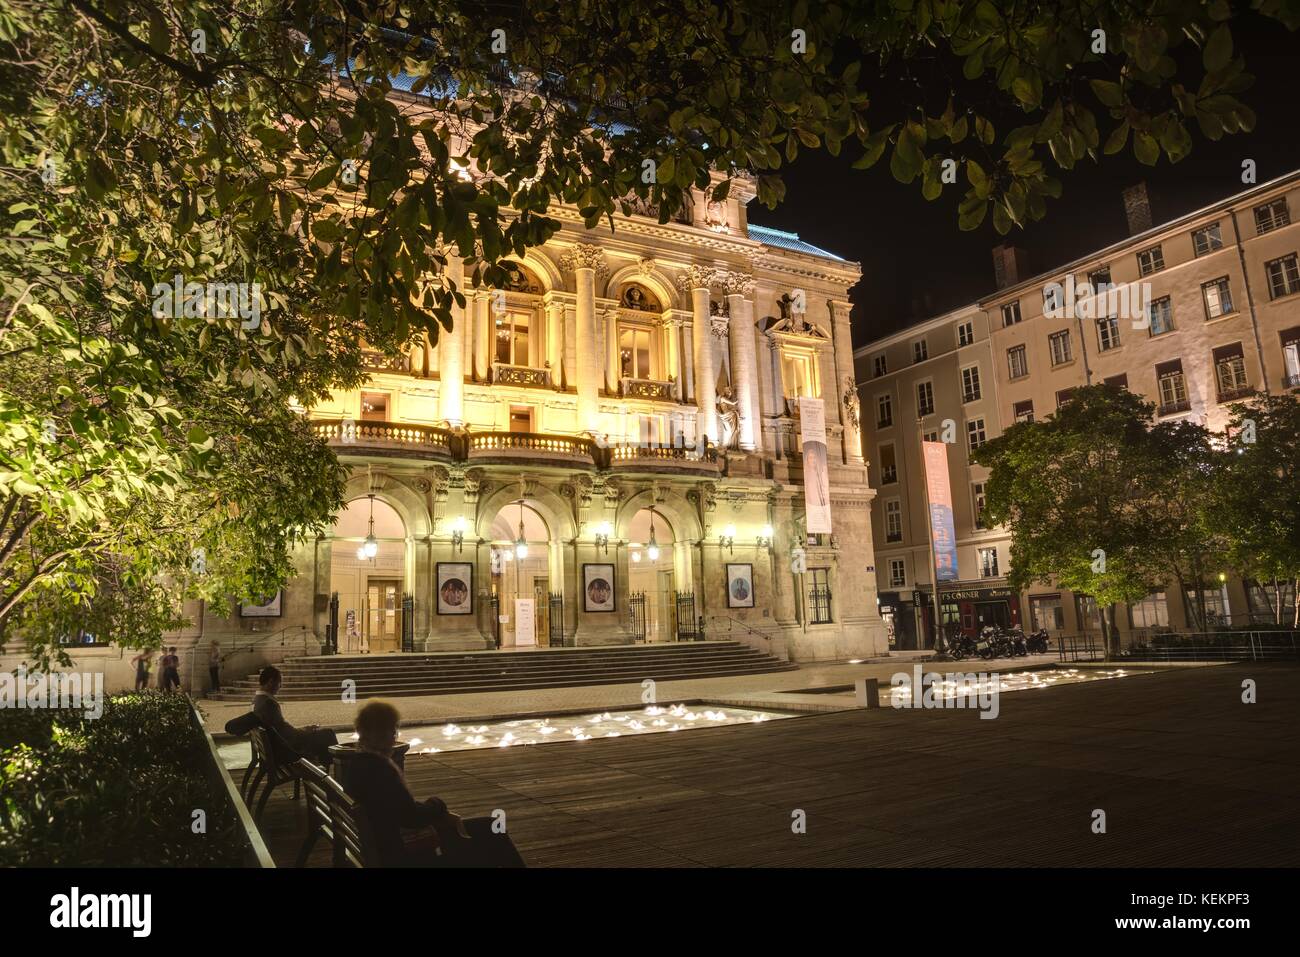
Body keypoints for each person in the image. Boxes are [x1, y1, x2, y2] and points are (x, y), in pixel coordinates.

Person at [347, 700, 525, 868]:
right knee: (493, 831)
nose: (394, 735)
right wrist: (438, 806)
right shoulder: (380, 769)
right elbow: (412, 817)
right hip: (405, 854)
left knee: (488, 831)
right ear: (375, 733)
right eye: (390, 730)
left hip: (384, 845)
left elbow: (398, 808)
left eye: (394, 729)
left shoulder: (357, 763)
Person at [251, 666, 338, 763]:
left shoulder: (256, 700)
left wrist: (304, 729)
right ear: (271, 682)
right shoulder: (269, 703)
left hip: (274, 748)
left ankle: (325, 770)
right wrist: (305, 731)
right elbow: (287, 734)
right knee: (328, 734)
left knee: (322, 736)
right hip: (286, 751)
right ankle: (331, 770)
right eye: (280, 682)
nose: (280, 686)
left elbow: (281, 728)